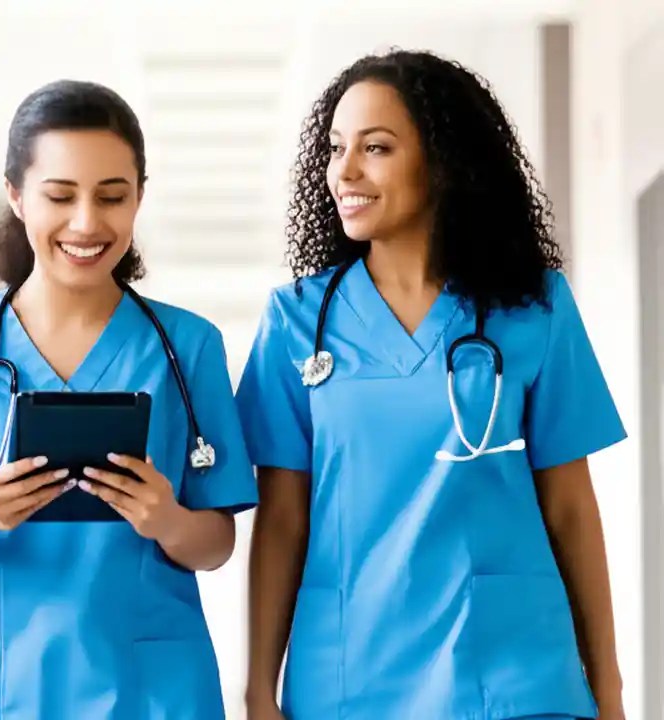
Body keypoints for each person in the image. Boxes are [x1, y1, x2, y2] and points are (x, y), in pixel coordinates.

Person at [237, 50, 626, 720]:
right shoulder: (297, 322)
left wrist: (610, 689)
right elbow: (282, 520)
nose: (345, 171)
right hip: (348, 677)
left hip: (511, 670)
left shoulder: (535, 309)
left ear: (443, 162)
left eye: (377, 147)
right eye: (336, 148)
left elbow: (570, 507)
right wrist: (256, 692)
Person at [0, 79, 257, 719]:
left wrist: (166, 519)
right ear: (16, 196)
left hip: (150, 687)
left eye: (112, 197)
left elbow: (215, 542)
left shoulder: (190, 348)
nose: (87, 223)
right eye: (60, 195)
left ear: (138, 199)